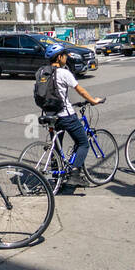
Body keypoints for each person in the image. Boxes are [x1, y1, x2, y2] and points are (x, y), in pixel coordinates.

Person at [42, 42, 102, 188]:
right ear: (59, 57)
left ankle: (57, 180)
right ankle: (75, 174)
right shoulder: (64, 73)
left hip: (50, 115)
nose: (66, 57)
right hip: (66, 115)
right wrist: (93, 100)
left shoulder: (43, 72)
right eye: (64, 55)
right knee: (83, 143)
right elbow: (80, 90)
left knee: (57, 148)